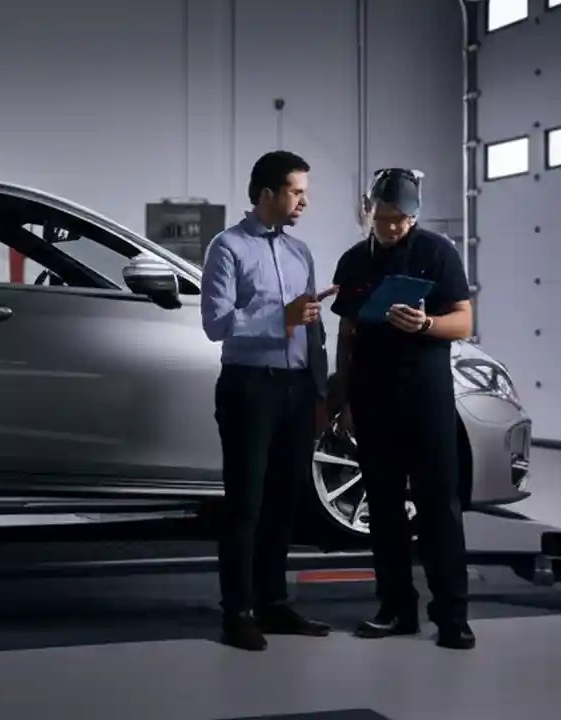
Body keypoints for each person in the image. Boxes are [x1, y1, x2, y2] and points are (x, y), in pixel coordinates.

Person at [328, 168, 476, 650]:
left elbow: (464, 323)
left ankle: (452, 615)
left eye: (402, 219)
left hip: (426, 398)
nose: (393, 227)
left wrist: (426, 322)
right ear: (368, 210)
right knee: (385, 511)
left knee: (439, 507)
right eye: (385, 217)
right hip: (373, 398)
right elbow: (346, 334)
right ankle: (396, 608)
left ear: (415, 216)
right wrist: (344, 399)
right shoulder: (353, 262)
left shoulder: (438, 252)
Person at [200, 150, 334, 651]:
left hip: (298, 390)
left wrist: (320, 391)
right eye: (297, 191)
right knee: (246, 505)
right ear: (267, 195)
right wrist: (280, 319)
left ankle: (274, 604)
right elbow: (215, 323)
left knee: (285, 503)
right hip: (249, 388)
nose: (304, 201)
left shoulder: (301, 253)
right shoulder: (226, 247)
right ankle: (237, 611)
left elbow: (313, 328)